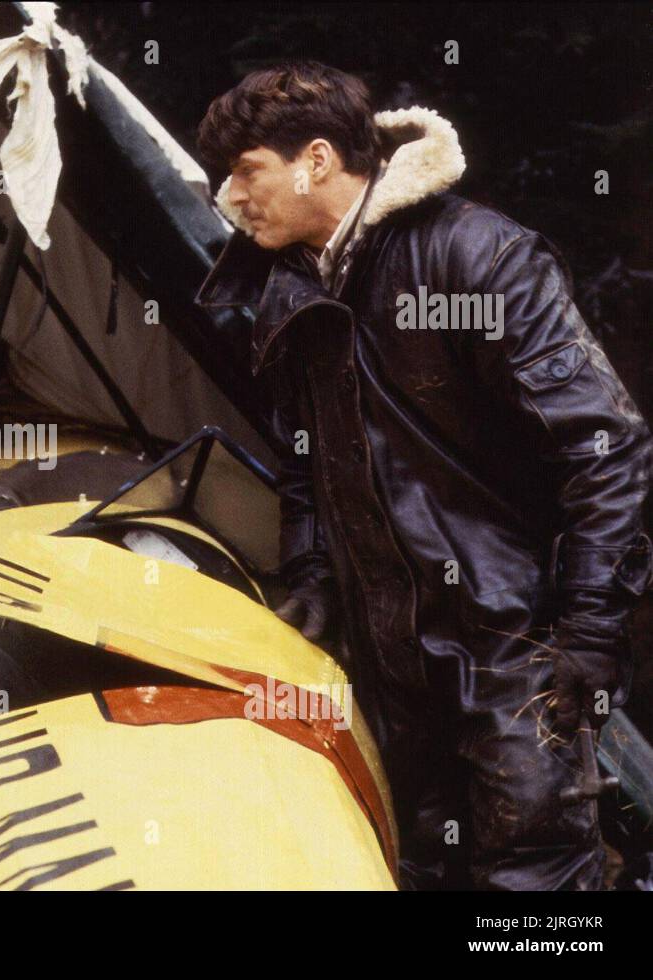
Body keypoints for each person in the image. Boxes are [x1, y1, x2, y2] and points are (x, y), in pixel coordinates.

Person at [194, 62, 652, 889]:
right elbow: (306, 455)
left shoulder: (474, 255)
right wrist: (311, 576)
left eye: (247, 170)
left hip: (516, 645)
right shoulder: (289, 282)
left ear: (318, 161)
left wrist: (590, 627)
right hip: (389, 658)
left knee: (536, 883)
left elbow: (606, 446)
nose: (233, 196)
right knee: (419, 866)